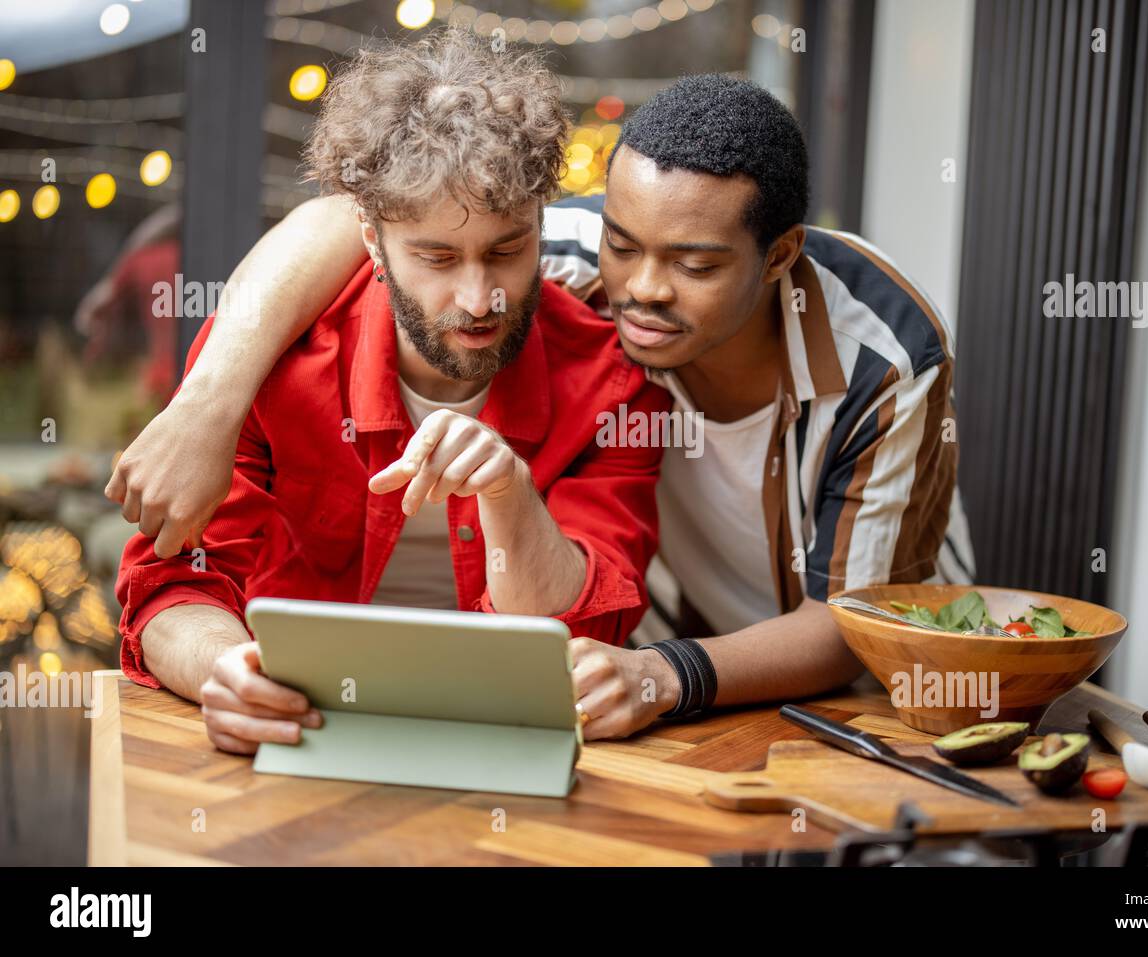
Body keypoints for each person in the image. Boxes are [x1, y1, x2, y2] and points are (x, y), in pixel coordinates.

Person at [111, 66, 975, 742]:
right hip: (645, 686)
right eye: (623, 245)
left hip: (849, 679)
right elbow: (350, 215)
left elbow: (853, 624)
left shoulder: (878, 358)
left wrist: (656, 664)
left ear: (779, 253)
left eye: (697, 267)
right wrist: (207, 403)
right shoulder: (541, 254)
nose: (642, 290)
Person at [113, 32, 668, 754]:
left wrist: (509, 495)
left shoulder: (614, 388)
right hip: (300, 732)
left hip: (503, 741)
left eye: (507, 249)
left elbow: (588, 642)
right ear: (370, 241)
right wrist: (226, 670)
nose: (478, 299)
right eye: (436, 257)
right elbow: (175, 584)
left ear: (541, 224)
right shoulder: (271, 356)